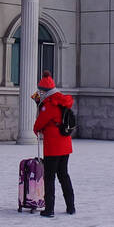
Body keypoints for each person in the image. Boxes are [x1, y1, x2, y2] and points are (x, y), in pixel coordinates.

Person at [32, 72, 76, 217]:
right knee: (64, 175)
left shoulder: (49, 104)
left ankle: (49, 209)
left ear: (45, 91)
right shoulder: (62, 100)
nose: (39, 93)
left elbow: (39, 124)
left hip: (53, 145)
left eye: (41, 90)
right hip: (65, 143)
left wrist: (39, 109)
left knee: (49, 177)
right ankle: (71, 206)